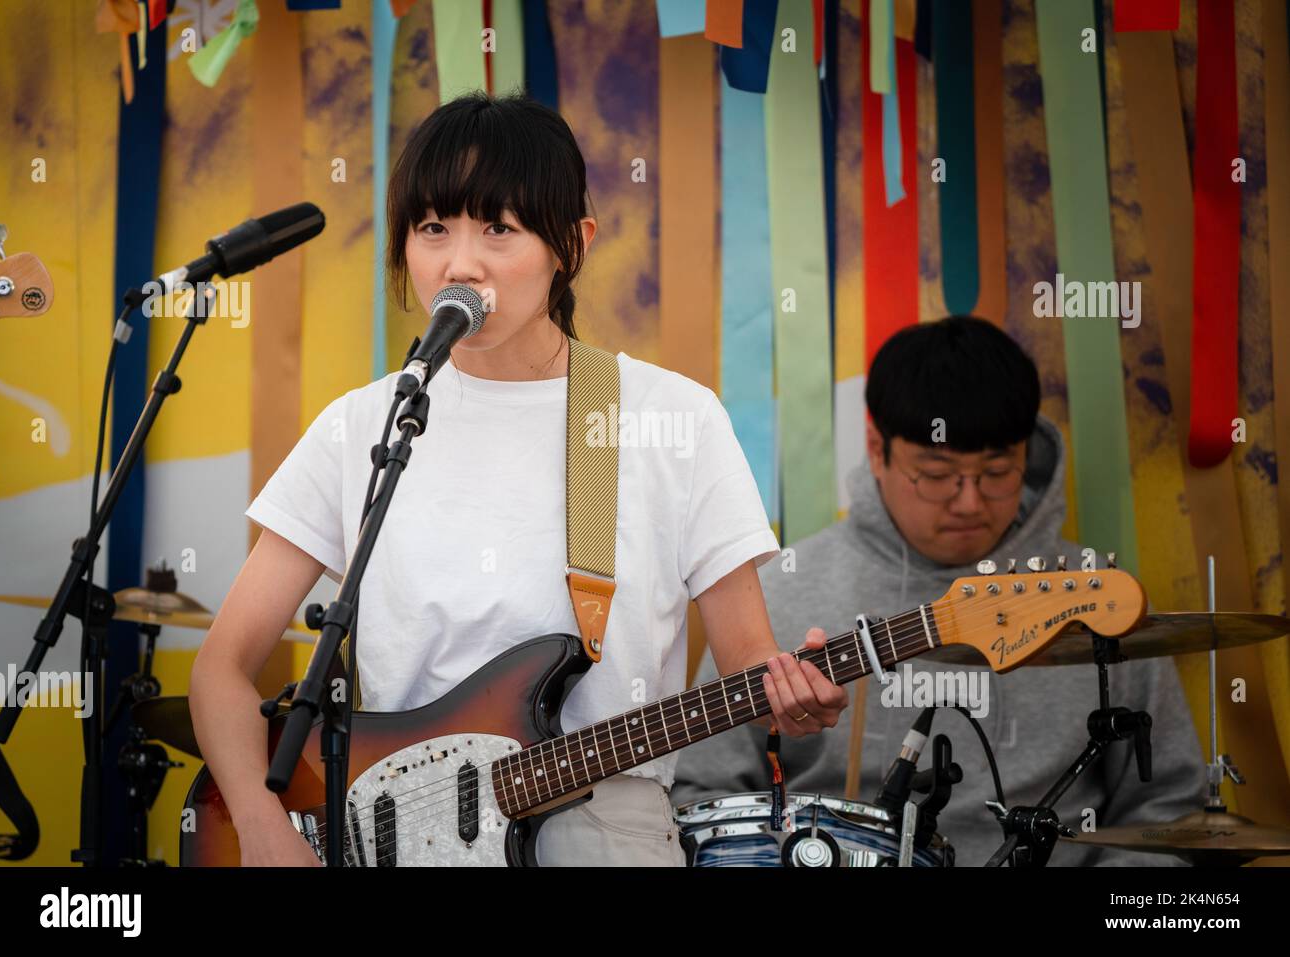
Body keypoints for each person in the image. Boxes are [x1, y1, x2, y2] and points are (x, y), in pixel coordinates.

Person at [188, 91, 846, 867]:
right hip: (392, 839)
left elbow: (748, 660)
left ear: (572, 242)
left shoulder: (673, 416)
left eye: (499, 228)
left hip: (605, 831)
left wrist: (798, 699)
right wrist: (265, 831)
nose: (459, 263)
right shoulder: (363, 426)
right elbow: (222, 668)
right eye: (432, 228)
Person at [672, 316, 1206, 866]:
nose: (970, 502)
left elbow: (1165, 812)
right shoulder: (781, 591)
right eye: (936, 472)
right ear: (877, 449)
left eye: (998, 472)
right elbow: (703, 799)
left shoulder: (1097, 599)